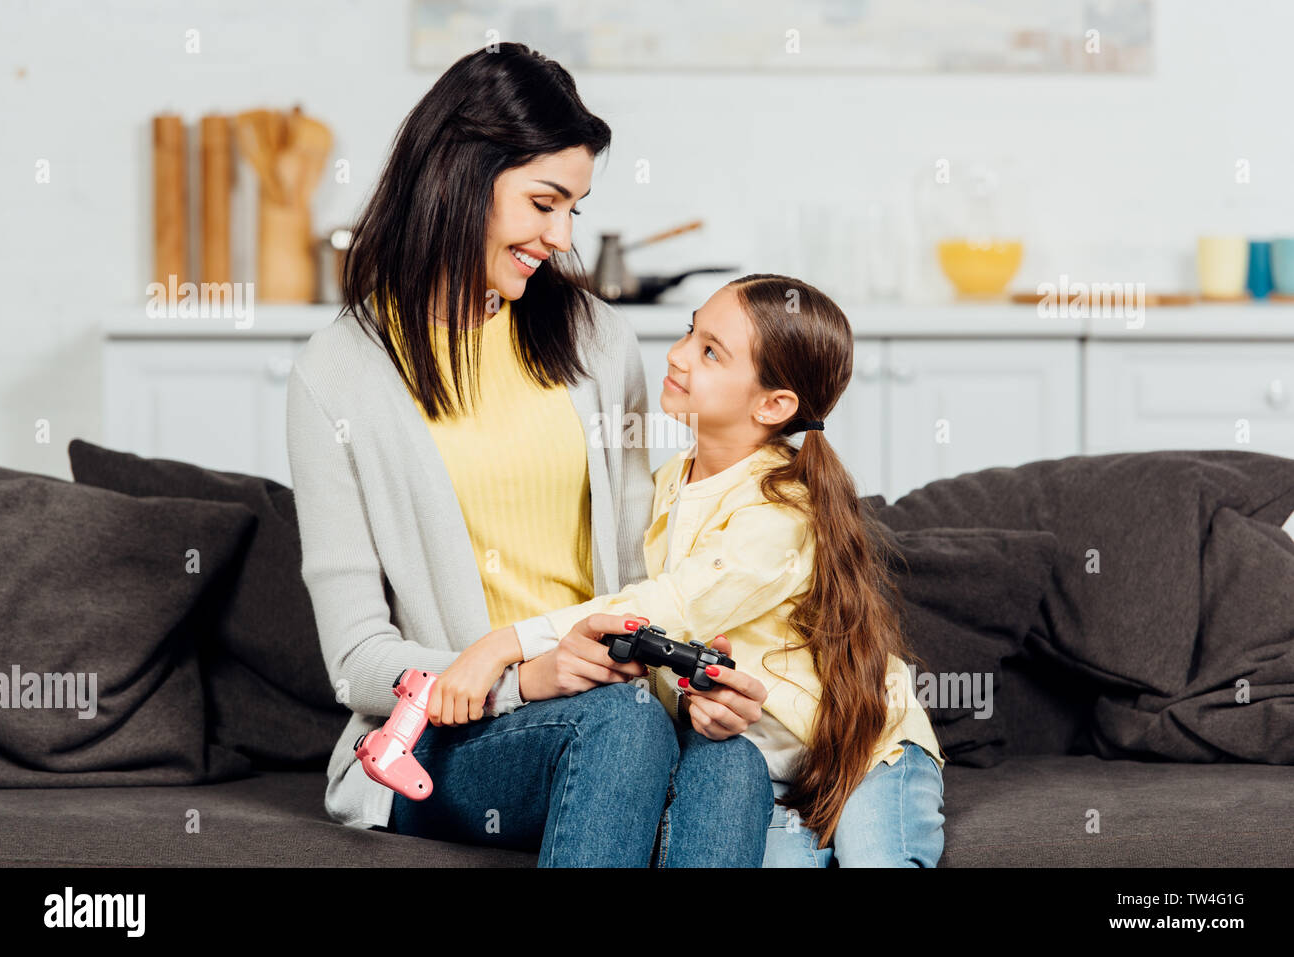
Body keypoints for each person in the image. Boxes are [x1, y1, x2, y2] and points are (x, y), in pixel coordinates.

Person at [286, 42, 772, 867]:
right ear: (462, 175)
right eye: (544, 202)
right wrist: (526, 676)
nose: (560, 235)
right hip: (452, 735)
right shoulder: (336, 376)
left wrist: (703, 678)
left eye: (574, 208)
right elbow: (359, 659)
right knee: (619, 725)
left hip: (617, 699)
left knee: (734, 758)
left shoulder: (596, 339)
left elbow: (641, 558)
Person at [438, 274, 948, 866]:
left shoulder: (782, 513)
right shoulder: (664, 489)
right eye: (690, 332)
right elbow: (666, 650)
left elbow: (671, 605)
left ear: (773, 404)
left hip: (868, 752)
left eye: (710, 351)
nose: (678, 355)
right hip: (767, 764)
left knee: (876, 860)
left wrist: (504, 644)